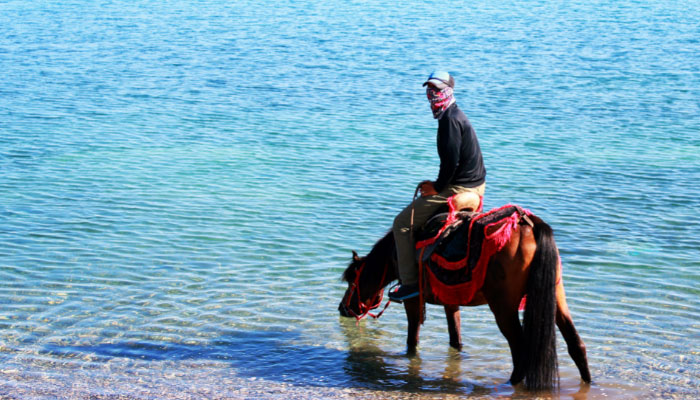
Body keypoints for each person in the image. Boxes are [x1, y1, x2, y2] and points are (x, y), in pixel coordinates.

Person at [389, 71, 487, 301]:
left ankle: (410, 283)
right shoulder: (454, 115)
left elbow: (450, 163)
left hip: (460, 188)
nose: (432, 95)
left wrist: (436, 187)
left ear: (448, 91)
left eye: (437, 90)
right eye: (429, 90)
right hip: (473, 184)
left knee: (402, 224)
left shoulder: (449, 120)